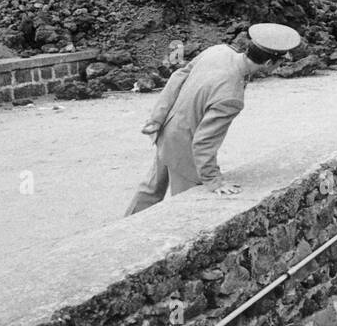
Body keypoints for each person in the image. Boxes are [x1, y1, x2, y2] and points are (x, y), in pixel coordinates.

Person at [125, 23, 302, 215]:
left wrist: (157, 118)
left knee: (150, 190)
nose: (278, 68)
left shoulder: (218, 51)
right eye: (279, 63)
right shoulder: (231, 97)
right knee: (185, 207)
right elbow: (204, 140)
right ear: (268, 64)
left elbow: (178, 76)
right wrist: (213, 180)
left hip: (166, 130)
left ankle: (124, 231)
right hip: (185, 148)